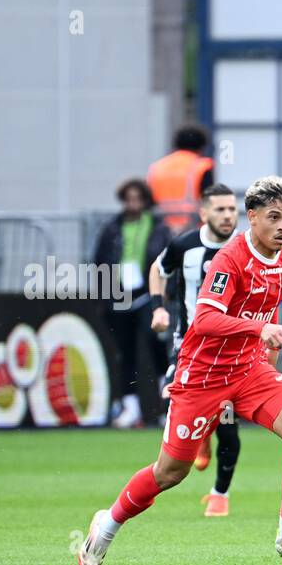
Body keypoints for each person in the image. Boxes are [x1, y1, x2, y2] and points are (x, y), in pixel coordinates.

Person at [78, 176, 282, 565]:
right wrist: (260, 330)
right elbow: (204, 320)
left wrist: (268, 364)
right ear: (252, 217)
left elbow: (269, 307)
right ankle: (107, 525)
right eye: (274, 217)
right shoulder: (230, 259)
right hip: (202, 375)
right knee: (171, 472)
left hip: (250, 370)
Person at [148, 182, 240, 516]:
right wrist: (159, 307)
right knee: (173, 395)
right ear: (204, 213)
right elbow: (158, 270)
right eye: (220, 209)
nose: (228, 215)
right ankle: (199, 435)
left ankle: (220, 495)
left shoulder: (246, 247)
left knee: (228, 421)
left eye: (232, 209)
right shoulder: (184, 245)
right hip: (188, 345)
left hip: (233, 352)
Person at [91, 179, 172, 429]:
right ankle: (131, 407)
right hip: (120, 294)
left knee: (156, 343)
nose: (133, 203)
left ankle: (167, 404)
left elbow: (167, 259)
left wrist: (165, 292)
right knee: (125, 352)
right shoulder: (112, 228)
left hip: (148, 293)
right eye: (129, 198)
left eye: (137, 198)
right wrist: (106, 294)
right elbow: (100, 260)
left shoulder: (158, 227)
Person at [147, 124, 215, 232]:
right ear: (202, 146)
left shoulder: (156, 167)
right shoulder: (202, 166)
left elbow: (149, 201)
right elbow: (211, 201)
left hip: (161, 229)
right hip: (193, 227)